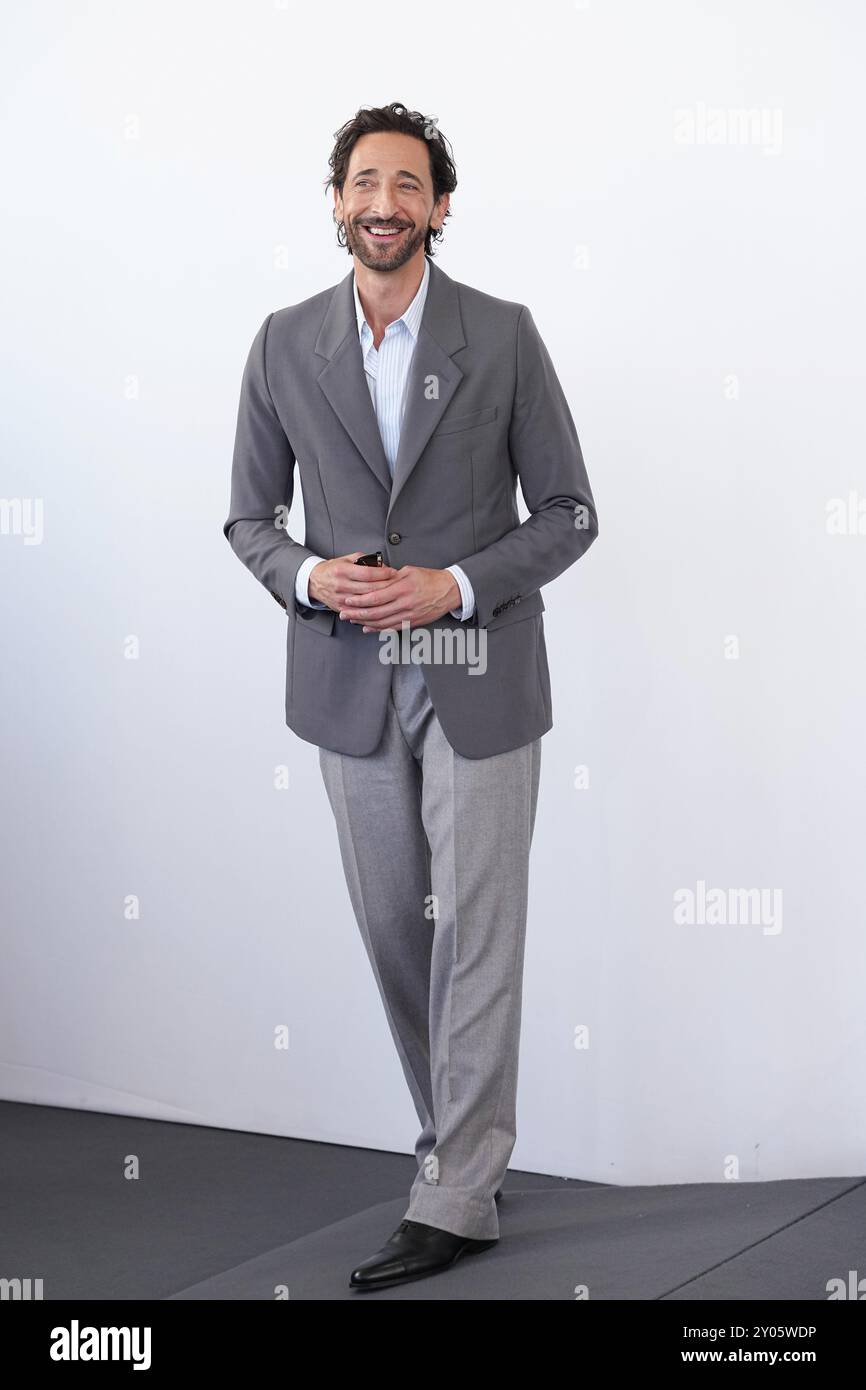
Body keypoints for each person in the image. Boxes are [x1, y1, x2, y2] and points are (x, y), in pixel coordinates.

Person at [224, 101, 598, 1292]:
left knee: (476, 935)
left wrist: (455, 584)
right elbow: (247, 518)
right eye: (362, 182)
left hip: (475, 665)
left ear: (440, 205)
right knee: (399, 930)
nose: (382, 203)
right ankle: (452, 1145)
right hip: (346, 679)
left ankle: (456, 1190)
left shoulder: (502, 332)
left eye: (407, 185)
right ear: (336, 200)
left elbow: (569, 512)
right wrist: (305, 573)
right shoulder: (284, 342)